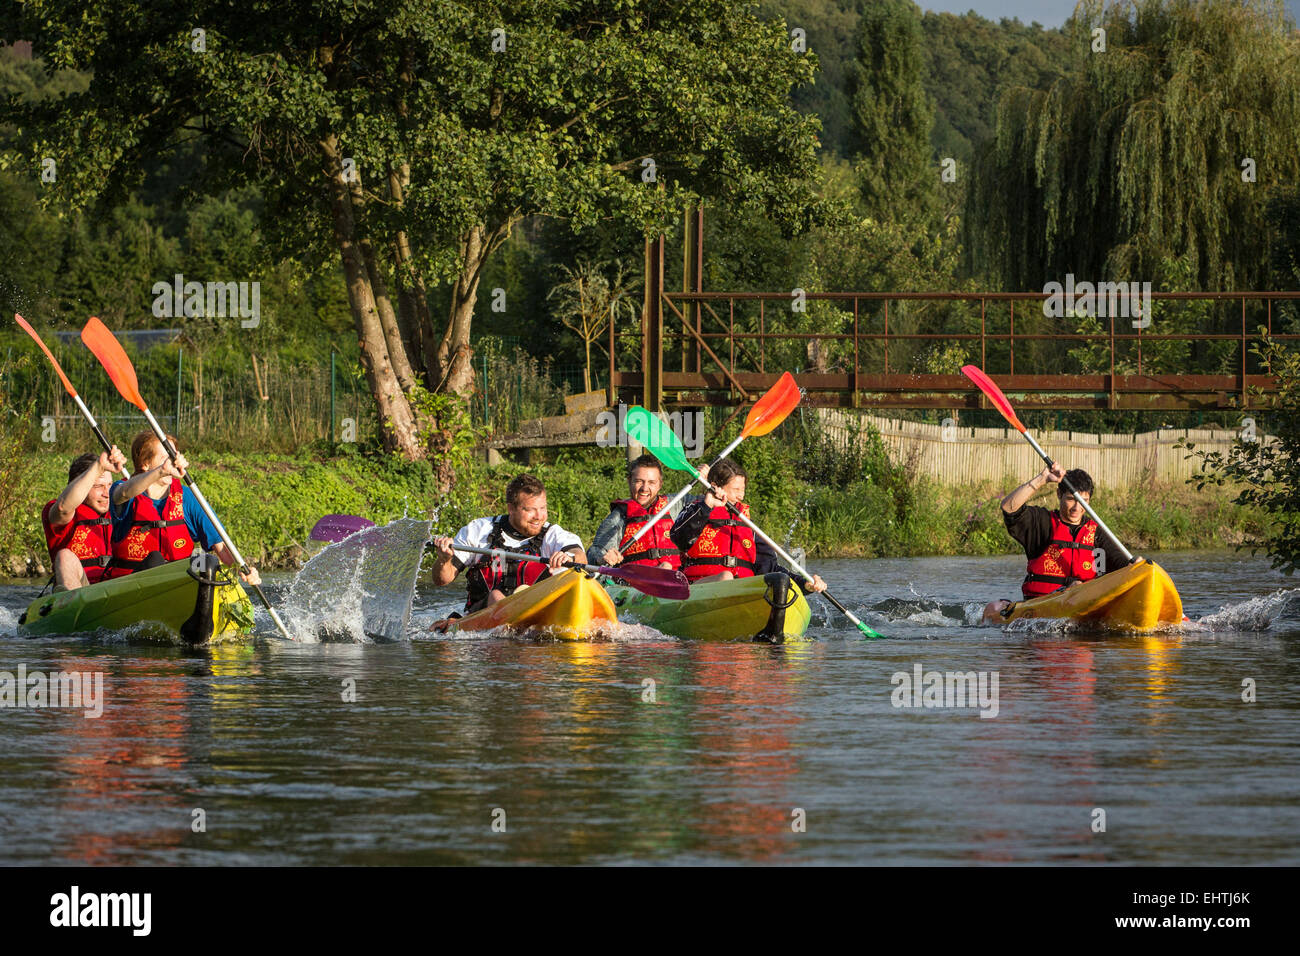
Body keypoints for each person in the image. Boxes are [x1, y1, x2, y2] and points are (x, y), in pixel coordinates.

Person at [108, 430, 261, 585]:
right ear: (145, 463)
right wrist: (161, 471)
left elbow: (220, 545)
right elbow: (124, 493)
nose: (173, 463)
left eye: (174, 457)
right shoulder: (122, 489)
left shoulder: (186, 497)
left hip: (177, 585)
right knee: (155, 560)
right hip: (132, 588)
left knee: (206, 562)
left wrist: (242, 568)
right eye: (165, 458)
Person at [982, 463, 1128, 622]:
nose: (1077, 508)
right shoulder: (1041, 522)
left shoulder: (1097, 534)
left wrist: (1138, 566)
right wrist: (1041, 479)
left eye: (1084, 501)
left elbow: (1122, 564)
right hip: (1041, 606)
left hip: (1083, 602)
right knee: (993, 608)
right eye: (1071, 499)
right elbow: (1009, 508)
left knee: (1080, 586)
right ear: (1059, 494)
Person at [431, 473, 586, 613]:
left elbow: (579, 555)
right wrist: (444, 561)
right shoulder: (479, 530)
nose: (539, 516)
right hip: (482, 614)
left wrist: (569, 557)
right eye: (530, 510)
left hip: (535, 612)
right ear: (511, 508)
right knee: (496, 595)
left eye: (543, 508)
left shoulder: (553, 534)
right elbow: (442, 580)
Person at [669, 457, 826, 593]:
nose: (741, 495)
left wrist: (805, 583)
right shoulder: (697, 510)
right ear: (716, 486)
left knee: (779, 580)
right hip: (698, 590)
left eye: (743, 489)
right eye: (736, 489)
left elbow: (770, 568)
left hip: (740, 593)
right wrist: (707, 504)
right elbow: (679, 538)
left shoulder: (747, 525)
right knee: (726, 577)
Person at [41, 447, 128, 590]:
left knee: (154, 557)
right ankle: (73, 605)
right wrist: (98, 467)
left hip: (117, 591)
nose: (107, 494)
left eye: (109, 485)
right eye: (98, 486)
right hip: (83, 592)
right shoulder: (60, 511)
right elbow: (63, 508)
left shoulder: (120, 509)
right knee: (65, 556)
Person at [587, 454, 681, 570]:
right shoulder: (619, 516)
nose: (644, 488)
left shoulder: (675, 505)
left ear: (660, 485)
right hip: (635, 583)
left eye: (651, 482)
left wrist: (706, 476)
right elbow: (593, 553)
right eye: (639, 481)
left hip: (675, 579)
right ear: (629, 481)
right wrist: (602, 558)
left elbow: (706, 501)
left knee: (666, 567)